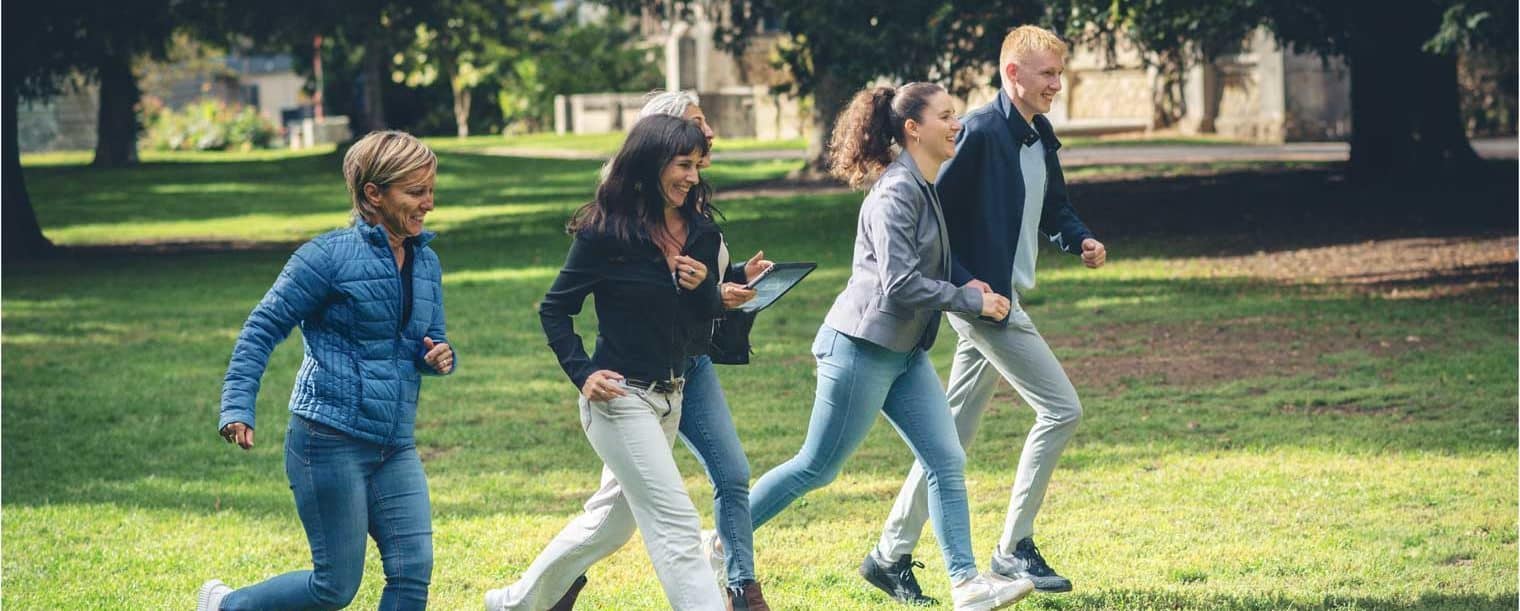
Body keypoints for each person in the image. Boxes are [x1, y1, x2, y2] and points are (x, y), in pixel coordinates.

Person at [744, 82, 1034, 611]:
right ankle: (722, 539)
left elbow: (929, 268)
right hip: (860, 348)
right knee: (816, 467)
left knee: (945, 459)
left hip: (904, 353)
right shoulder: (896, 191)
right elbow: (900, 284)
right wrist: (966, 299)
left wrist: (970, 287)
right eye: (946, 116)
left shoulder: (924, 182)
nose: (958, 124)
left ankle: (967, 585)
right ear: (912, 128)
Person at [486, 91, 773, 611]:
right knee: (677, 526)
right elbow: (555, 309)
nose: (691, 175)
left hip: (673, 396)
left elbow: (696, 324)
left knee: (607, 527)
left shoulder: (702, 233)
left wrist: (706, 290)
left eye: (695, 165)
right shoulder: (607, 232)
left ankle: (514, 604)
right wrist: (583, 373)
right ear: (650, 164)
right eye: (681, 164)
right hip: (620, 399)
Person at [866, 25, 1108, 603]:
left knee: (949, 438)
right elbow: (933, 215)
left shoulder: (1039, 134)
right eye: (1047, 73)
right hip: (985, 303)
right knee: (1062, 409)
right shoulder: (975, 131)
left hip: (1002, 297)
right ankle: (1013, 547)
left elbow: (1055, 206)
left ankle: (889, 554)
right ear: (1013, 74)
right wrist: (966, 288)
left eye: (1059, 72)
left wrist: (1080, 240)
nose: (1057, 83)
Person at [196, 130, 456, 611]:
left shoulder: (426, 261)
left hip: (394, 441)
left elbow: (427, 340)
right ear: (373, 195)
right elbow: (261, 328)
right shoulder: (325, 258)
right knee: (334, 587)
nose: (429, 204)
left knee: (412, 568)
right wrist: (237, 405)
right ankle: (228, 606)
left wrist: (438, 356)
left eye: (430, 190)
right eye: (416, 192)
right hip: (328, 439)